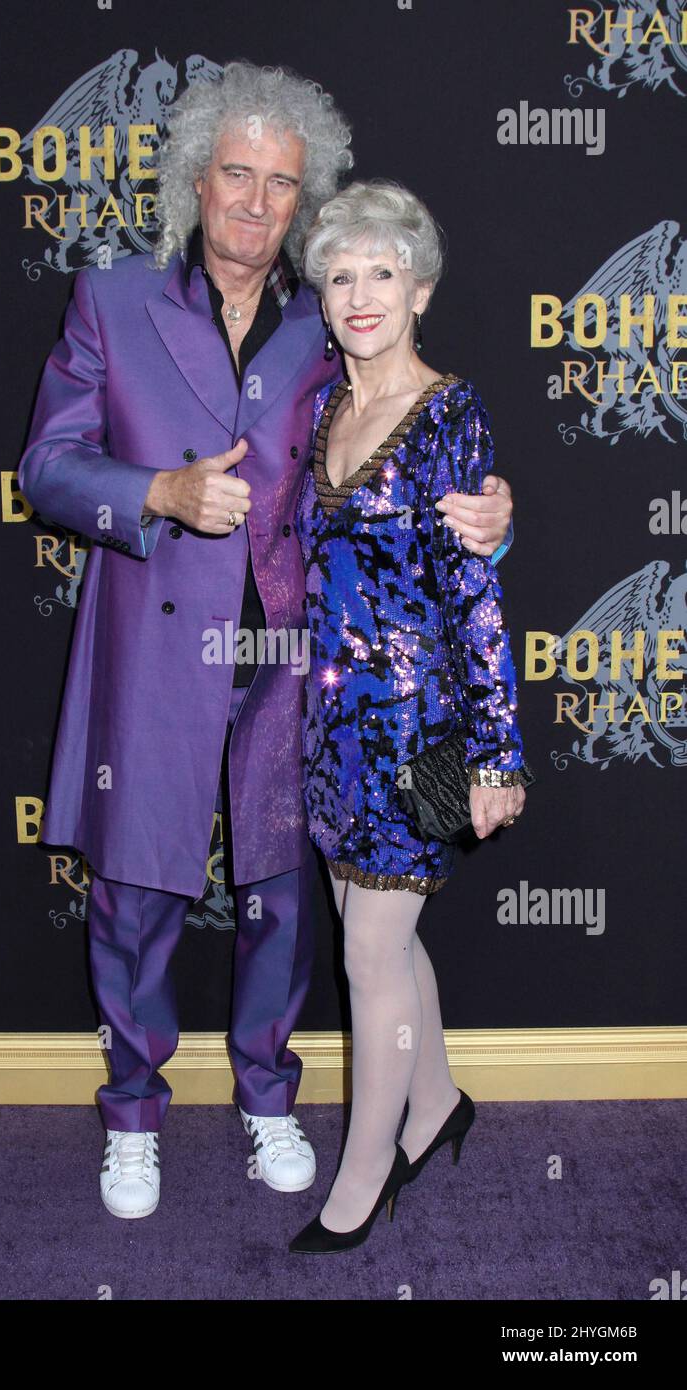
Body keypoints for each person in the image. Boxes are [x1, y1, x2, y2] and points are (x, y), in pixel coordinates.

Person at [17, 63, 515, 1222]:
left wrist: (490, 508)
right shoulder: (113, 297)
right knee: (136, 888)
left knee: (285, 895)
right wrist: (159, 492)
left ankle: (267, 1097)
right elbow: (47, 465)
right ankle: (132, 1113)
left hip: (298, 661)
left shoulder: (325, 314)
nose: (254, 203)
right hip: (152, 648)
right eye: (235, 175)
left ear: (306, 198)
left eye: (280, 184)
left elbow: (403, 438)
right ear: (197, 179)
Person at [290, 180, 527, 1253]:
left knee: (369, 955)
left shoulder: (450, 412)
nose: (359, 293)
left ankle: (365, 1171)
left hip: (413, 731)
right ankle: (434, 1104)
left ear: (419, 287)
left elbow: (475, 594)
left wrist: (495, 754)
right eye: (339, 274)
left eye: (380, 271)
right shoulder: (322, 407)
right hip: (329, 727)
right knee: (370, 930)